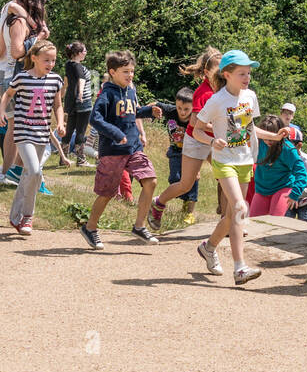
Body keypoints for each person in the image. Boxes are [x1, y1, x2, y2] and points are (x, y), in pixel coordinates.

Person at [191, 50, 264, 285]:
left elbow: (249, 128)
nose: (247, 77)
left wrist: (274, 135)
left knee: (232, 214)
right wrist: (213, 141)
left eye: (249, 73)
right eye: (242, 73)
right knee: (240, 207)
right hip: (224, 161)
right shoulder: (217, 100)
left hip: (244, 160)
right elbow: (196, 128)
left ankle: (209, 246)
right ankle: (240, 267)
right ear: (227, 74)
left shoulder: (250, 97)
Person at [80, 50, 160, 249]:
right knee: (107, 193)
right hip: (113, 151)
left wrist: (148, 111)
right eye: (125, 71)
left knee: (150, 181)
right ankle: (90, 228)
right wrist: (115, 133)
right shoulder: (107, 93)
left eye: (132, 71)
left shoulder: (130, 91)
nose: (130, 75)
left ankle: (139, 226)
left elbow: (131, 113)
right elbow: (95, 118)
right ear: (112, 72)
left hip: (134, 148)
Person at [148, 47, 220, 230]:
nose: (224, 73)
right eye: (219, 69)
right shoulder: (203, 93)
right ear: (207, 72)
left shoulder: (223, 89)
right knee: (185, 184)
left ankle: (228, 218)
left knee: (225, 176)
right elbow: (196, 123)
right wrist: (223, 128)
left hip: (214, 140)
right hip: (196, 139)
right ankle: (159, 202)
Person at [0, 40, 65, 237]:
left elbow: (58, 105)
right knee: (34, 172)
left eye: (53, 60)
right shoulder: (22, 78)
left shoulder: (56, 80)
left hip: (42, 134)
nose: (50, 64)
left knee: (29, 174)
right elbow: (7, 95)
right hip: (23, 131)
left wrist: (60, 123)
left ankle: (15, 216)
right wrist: (2, 112)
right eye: (46, 60)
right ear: (34, 58)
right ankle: (28, 216)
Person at [0, 0, 49, 184]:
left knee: (15, 125)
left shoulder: (11, 15)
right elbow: (17, 52)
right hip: (11, 74)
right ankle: (9, 172)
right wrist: (39, 38)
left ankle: (9, 172)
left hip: (4, 71)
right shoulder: (17, 19)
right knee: (18, 126)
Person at [143, 86, 200, 228]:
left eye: (186, 109)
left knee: (193, 180)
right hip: (175, 152)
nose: (182, 112)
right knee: (175, 179)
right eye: (179, 108)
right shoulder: (170, 111)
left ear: (193, 107)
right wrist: (146, 113)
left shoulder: (196, 118)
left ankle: (188, 212)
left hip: (192, 154)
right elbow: (154, 104)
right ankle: (167, 200)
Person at [247, 115, 307, 217]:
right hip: (262, 189)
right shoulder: (258, 144)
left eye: (272, 137)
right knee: (254, 221)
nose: (268, 141)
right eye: (265, 137)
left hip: (282, 188)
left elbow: (301, 172)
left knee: (275, 220)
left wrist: (295, 194)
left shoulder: (287, 148)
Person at [62, 41, 94, 166]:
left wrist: (62, 95)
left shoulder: (68, 65)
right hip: (83, 101)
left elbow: (66, 82)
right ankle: (81, 160)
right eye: (84, 51)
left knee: (69, 129)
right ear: (78, 53)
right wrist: (80, 93)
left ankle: (63, 157)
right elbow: (81, 79)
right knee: (81, 131)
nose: (85, 53)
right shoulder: (78, 66)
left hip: (71, 101)